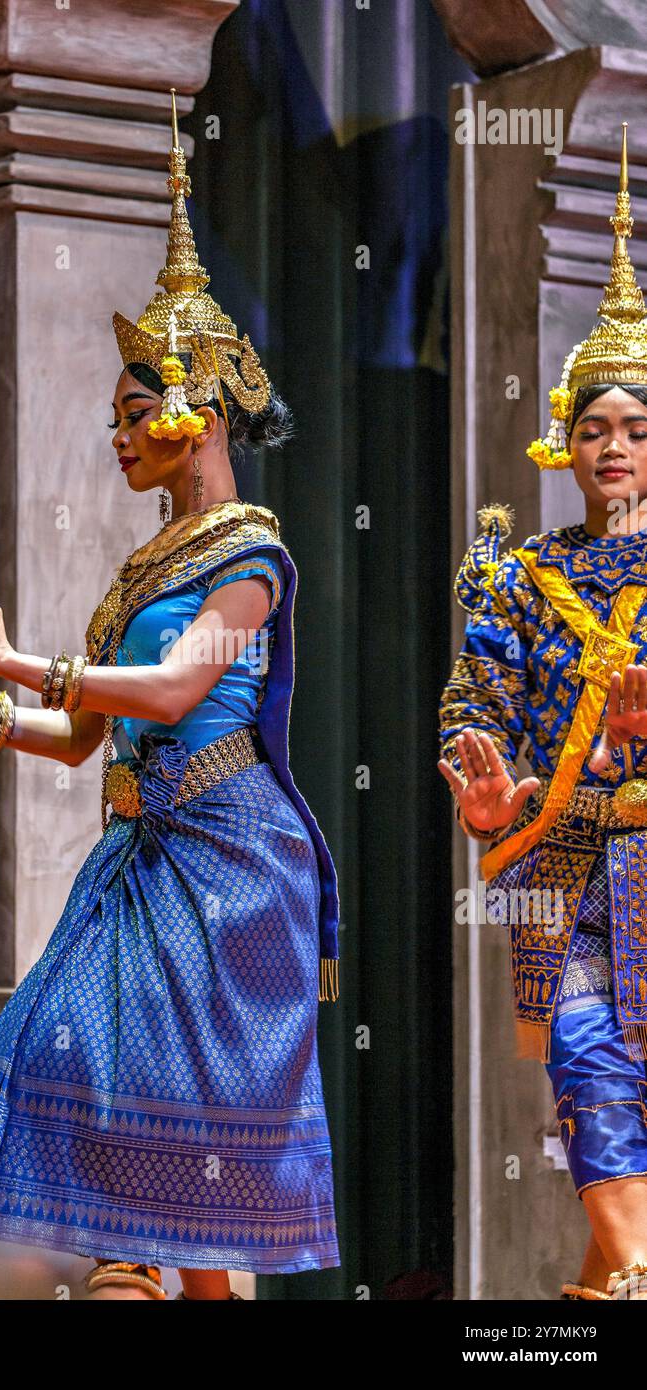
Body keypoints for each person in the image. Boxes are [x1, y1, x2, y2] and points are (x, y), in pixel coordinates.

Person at [0, 90, 341, 1301]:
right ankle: (126, 1267)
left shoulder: (250, 554)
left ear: (198, 410)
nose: (119, 434)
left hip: (230, 872)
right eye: (113, 418)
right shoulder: (142, 566)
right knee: (79, 1074)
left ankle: (142, 1270)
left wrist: (20, 659)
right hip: (140, 860)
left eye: (137, 412)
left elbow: (184, 683)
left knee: (173, 1173)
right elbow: (81, 736)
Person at [438, 124, 647, 1302]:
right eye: (589, 426)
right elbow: (478, 699)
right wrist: (482, 787)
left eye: (631, 427)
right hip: (563, 864)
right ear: (558, 437)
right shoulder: (518, 573)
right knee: (585, 1076)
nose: (608, 447)